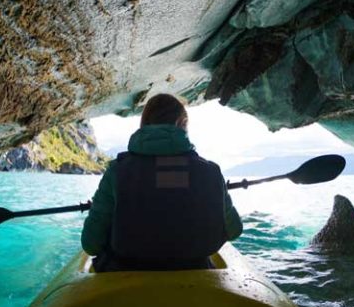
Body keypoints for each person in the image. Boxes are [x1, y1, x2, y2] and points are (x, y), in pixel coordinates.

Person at [82, 94, 243, 272]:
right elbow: (234, 230)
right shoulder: (211, 171)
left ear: (144, 124)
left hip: (125, 275)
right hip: (194, 275)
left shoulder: (117, 171)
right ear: (181, 124)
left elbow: (91, 245)